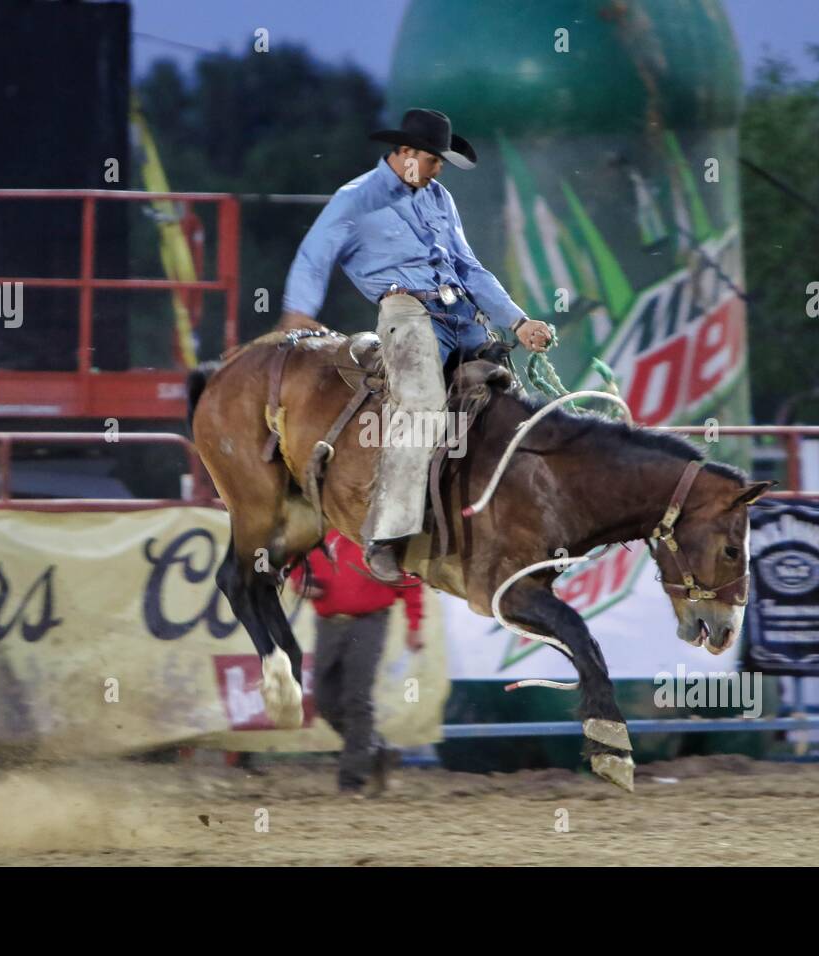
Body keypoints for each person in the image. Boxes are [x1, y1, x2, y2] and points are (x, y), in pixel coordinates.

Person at [280, 108, 553, 583]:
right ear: (404, 153)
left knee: (507, 401)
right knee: (422, 404)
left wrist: (518, 321)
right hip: (405, 313)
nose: (439, 168)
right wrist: (299, 311)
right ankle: (387, 530)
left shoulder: (439, 198)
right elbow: (315, 253)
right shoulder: (357, 199)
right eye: (433, 159)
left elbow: (469, 268)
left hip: (462, 313)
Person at [290, 530, 424, 796]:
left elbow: (408, 576)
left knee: (357, 698)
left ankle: (351, 780)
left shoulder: (379, 536)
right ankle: (373, 747)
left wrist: (415, 622)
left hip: (369, 621)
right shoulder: (316, 532)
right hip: (329, 622)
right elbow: (294, 562)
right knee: (324, 700)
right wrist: (300, 581)